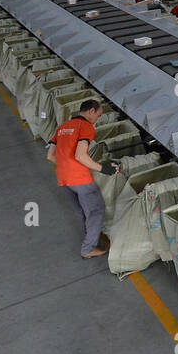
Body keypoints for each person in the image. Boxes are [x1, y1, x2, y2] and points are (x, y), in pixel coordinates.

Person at [45, 99, 118, 259]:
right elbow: (80, 155)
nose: (97, 119)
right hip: (80, 178)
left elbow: (50, 156)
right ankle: (88, 248)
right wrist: (104, 169)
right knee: (96, 211)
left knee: (83, 211)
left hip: (63, 177)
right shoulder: (86, 127)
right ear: (91, 111)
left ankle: (93, 240)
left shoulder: (63, 127)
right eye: (98, 115)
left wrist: (66, 166)